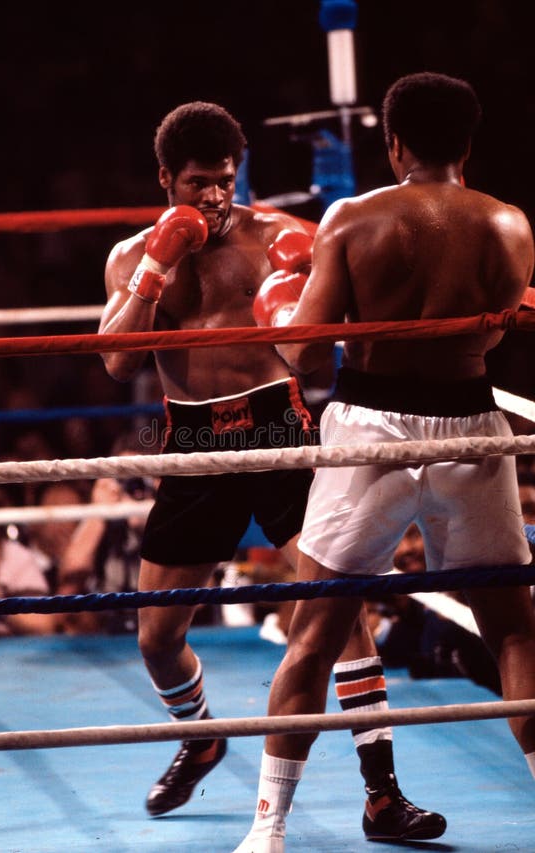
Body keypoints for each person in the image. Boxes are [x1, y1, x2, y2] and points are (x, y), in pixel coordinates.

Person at [98, 100, 444, 839]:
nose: (214, 198)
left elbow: (316, 354)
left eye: (224, 180)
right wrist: (159, 264)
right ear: (165, 177)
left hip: (279, 426)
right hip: (193, 442)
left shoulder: (283, 238)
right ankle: (200, 735)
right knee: (157, 636)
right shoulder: (131, 257)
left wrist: (293, 314)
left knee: (336, 608)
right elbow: (117, 358)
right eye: (197, 184)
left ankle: (382, 790)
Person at [234, 71, 535, 852]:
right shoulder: (509, 225)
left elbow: (298, 348)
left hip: (371, 429)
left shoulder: (353, 219)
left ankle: (267, 832)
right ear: (467, 144)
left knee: (317, 630)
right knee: (512, 630)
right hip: (474, 424)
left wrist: (279, 302)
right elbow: (496, 335)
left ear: (393, 141)